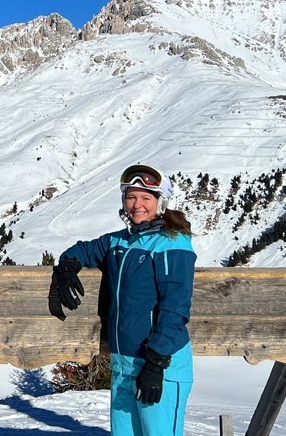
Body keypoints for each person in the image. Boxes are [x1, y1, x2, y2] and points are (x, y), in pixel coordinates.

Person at [50, 164, 196, 436]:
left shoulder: (172, 244)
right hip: (124, 363)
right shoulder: (120, 242)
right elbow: (83, 249)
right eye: (131, 197)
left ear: (160, 203)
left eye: (146, 198)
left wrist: (156, 363)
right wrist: (67, 267)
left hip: (160, 364)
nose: (137, 204)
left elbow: (175, 307)